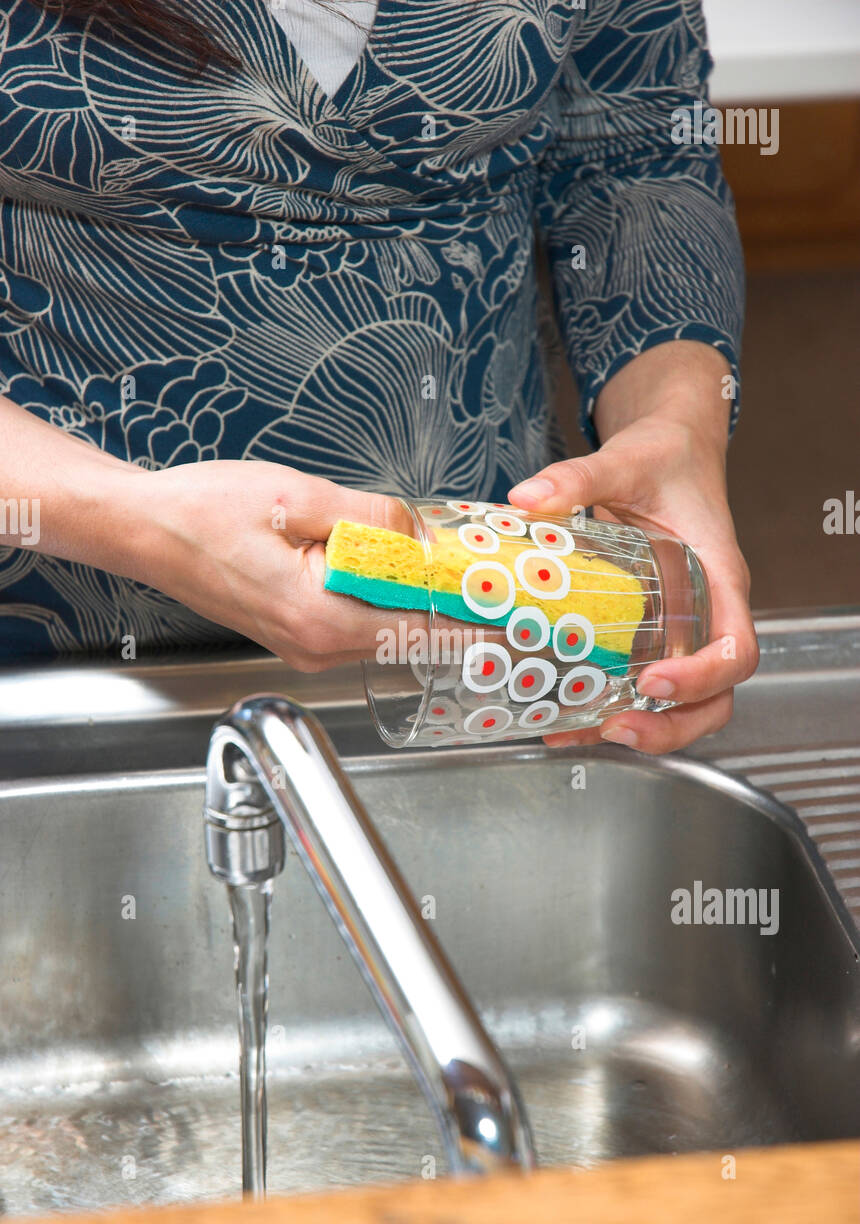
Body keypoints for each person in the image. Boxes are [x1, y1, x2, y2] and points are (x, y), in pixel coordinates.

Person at [0, 0, 757, 751]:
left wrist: (677, 427)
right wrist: (132, 519)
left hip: (494, 633)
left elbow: (633, 151)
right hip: (53, 662)